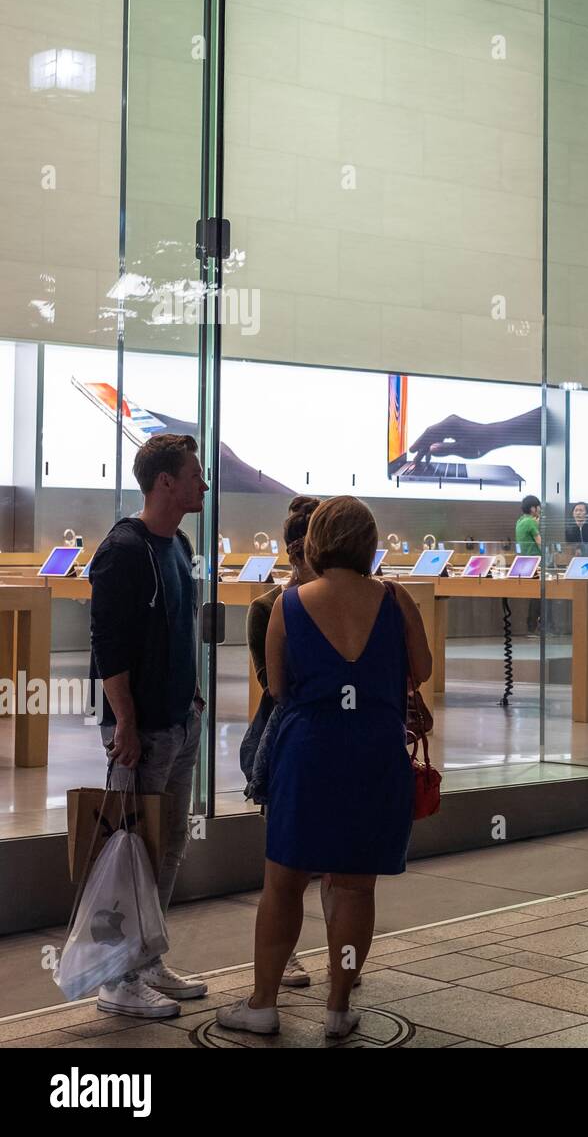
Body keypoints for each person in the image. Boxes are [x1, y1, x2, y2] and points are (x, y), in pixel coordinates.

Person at [217, 496, 432, 1038]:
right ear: (369, 544)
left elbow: (280, 686)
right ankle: (338, 1007)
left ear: (313, 542)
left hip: (308, 753)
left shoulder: (288, 605)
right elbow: (422, 669)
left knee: (282, 885)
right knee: (356, 889)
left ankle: (264, 1004)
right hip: (375, 753)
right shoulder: (396, 598)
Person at [89, 433, 210, 1018]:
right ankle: (116, 979)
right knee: (132, 849)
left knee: (166, 848)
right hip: (142, 735)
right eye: (195, 476)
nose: (203, 485)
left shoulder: (179, 543)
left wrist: (191, 695)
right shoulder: (123, 551)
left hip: (180, 723)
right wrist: (126, 725)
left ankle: (146, 958)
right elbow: (106, 648)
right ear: (165, 482)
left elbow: (181, 629)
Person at [243, 495, 336, 991]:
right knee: (289, 863)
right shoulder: (270, 607)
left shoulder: (344, 602)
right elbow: (272, 683)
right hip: (288, 739)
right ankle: (289, 959)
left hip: (315, 737)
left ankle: (335, 960)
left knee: (332, 867)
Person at [516, 495, 543, 633]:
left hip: (525, 561)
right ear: (533, 508)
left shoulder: (520, 521)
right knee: (539, 595)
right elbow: (539, 542)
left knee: (534, 595)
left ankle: (531, 625)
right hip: (536, 561)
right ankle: (535, 626)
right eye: (538, 507)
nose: (539, 509)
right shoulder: (531, 522)